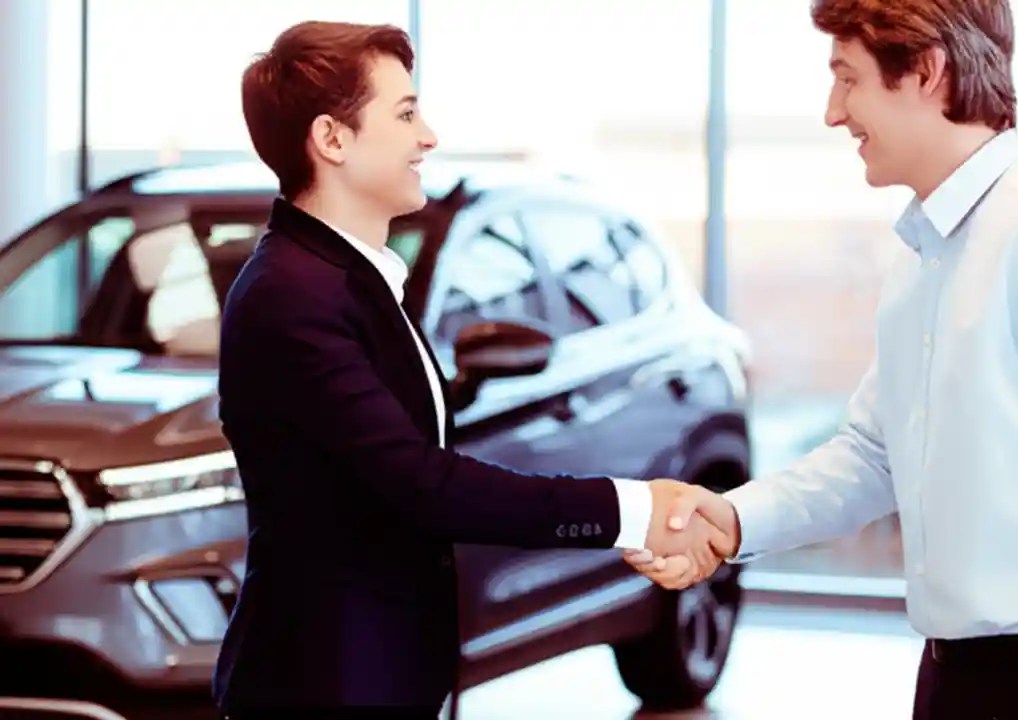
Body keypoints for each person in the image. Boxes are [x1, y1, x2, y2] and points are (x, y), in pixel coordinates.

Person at [625, 1, 1018, 718]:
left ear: (925, 71)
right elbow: (872, 455)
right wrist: (733, 519)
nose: (833, 112)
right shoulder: (925, 256)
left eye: (848, 78)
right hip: (954, 681)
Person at [212, 21, 723, 717]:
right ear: (332, 139)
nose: (428, 137)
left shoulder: (349, 280)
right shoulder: (293, 295)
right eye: (405, 114)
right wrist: (631, 510)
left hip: (374, 674)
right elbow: (423, 485)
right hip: (321, 684)